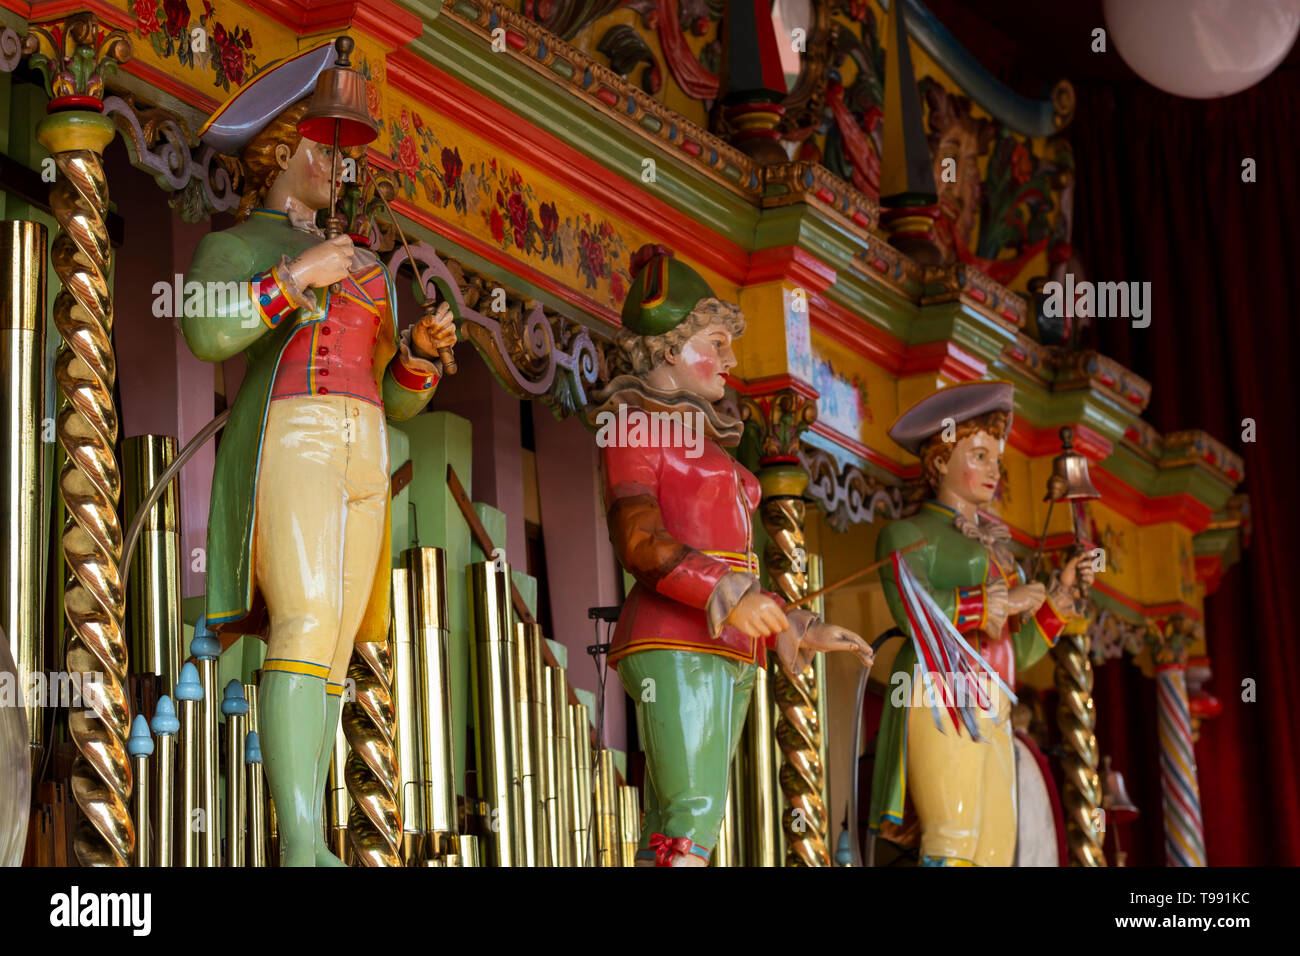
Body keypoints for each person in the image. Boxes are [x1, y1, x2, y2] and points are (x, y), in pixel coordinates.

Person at [180, 44, 456, 865]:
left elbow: (398, 395)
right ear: (279, 152)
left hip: (367, 442)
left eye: (347, 151)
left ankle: (313, 833)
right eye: (326, 146)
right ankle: (299, 839)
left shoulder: (371, 267)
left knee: (337, 637)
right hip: (294, 434)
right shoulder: (238, 246)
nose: (342, 165)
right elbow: (205, 329)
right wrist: (298, 274)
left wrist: (419, 354)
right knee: (302, 620)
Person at [591, 244, 873, 867]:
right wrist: (728, 592)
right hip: (676, 636)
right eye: (715, 343)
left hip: (726, 643)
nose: (731, 359)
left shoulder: (708, 442)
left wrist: (794, 622)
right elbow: (639, 539)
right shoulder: (635, 426)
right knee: (690, 813)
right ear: (668, 347)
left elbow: (741, 565)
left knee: (688, 819)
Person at [868, 381, 1093, 866]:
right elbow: (917, 613)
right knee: (953, 838)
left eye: (996, 459)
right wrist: (1000, 603)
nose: (994, 470)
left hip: (995, 705)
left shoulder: (999, 551)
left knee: (994, 850)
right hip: (940, 690)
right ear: (940, 461)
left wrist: (1058, 598)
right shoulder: (906, 535)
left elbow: (1018, 654)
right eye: (979, 456)